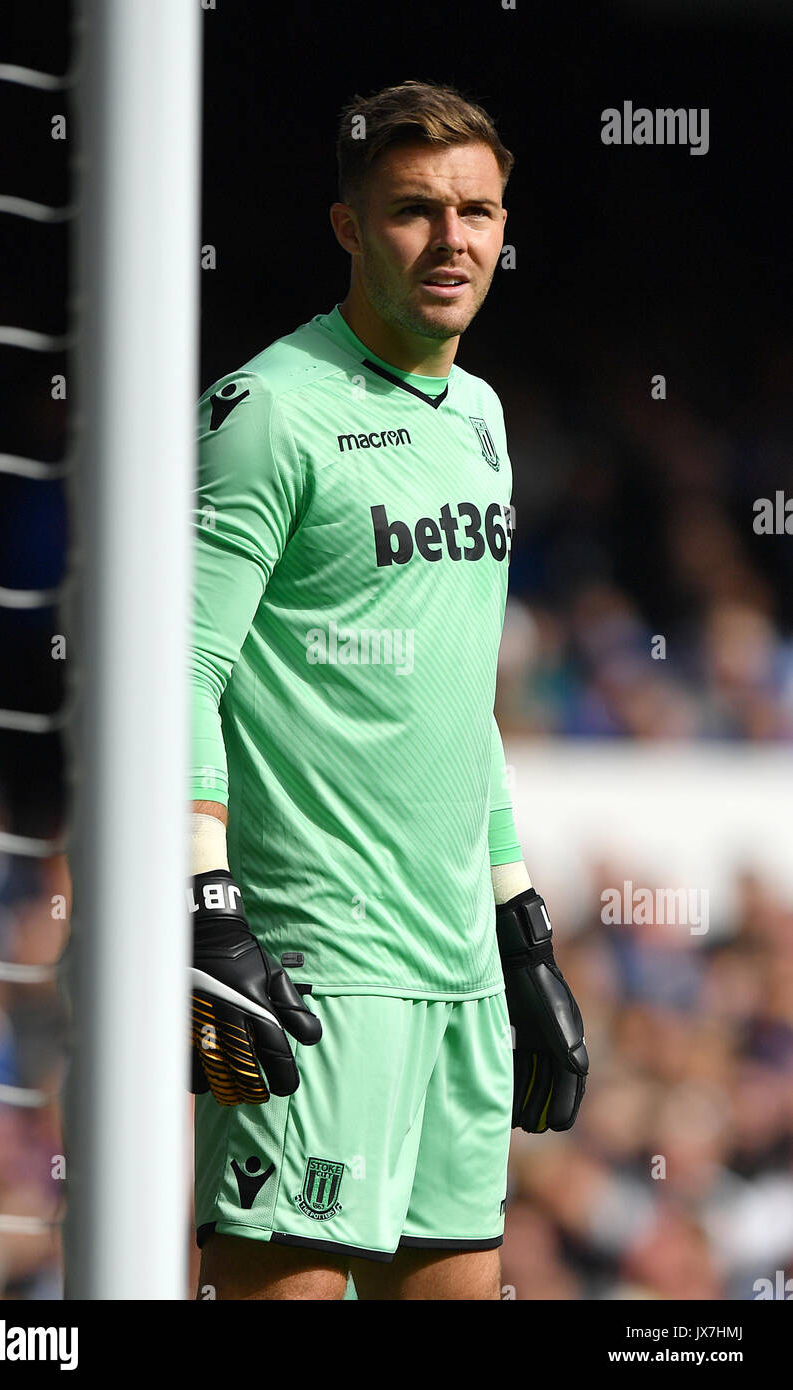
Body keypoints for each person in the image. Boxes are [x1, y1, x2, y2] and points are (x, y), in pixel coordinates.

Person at [188, 79, 588, 1301]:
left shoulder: (479, 413)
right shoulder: (268, 412)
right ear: (349, 226)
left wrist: (517, 923)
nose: (452, 239)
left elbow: (458, 698)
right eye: (414, 209)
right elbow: (177, 672)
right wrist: (205, 902)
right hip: (319, 973)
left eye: (476, 210)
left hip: (458, 970)